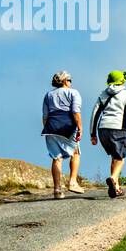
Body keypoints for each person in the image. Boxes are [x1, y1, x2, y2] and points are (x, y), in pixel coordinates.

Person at [89, 70, 126, 198]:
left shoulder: (102, 94)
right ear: (122, 81)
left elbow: (94, 114)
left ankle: (116, 188)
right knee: (120, 158)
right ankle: (113, 178)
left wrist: (93, 134)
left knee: (114, 157)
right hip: (118, 129)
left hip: (102, 130)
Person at [41, 70, 85, 199]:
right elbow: (76, 112)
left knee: (56, 158)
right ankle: (72, 182)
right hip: (67, 125)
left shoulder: (48, 95)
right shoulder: (73, 92)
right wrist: (80, 127)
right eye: (70, 80)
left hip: (51, 126)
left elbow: (45, 115)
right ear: (65, 81)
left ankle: (57, 189)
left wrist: (48, 128)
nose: (71, 82)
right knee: (75, 152)